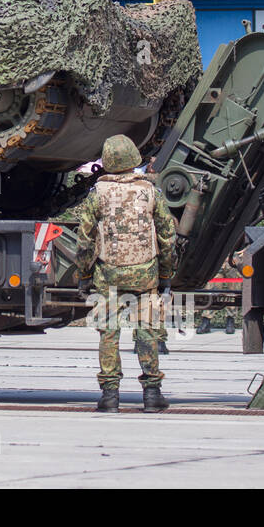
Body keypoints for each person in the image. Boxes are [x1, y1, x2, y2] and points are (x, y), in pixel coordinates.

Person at [72, 134, 177, 413]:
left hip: (108, 275)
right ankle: (152, 394)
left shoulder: (98, 195)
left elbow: (85, 240)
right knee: (147, 332)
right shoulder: (151, 192)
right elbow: (167, 236)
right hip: (146, 274)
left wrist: (84, 276)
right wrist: (166, 274)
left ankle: (110, 396)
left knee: (108, 334)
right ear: (134, 159)